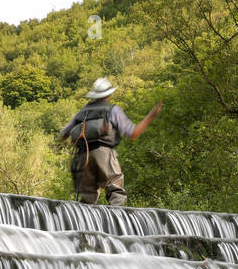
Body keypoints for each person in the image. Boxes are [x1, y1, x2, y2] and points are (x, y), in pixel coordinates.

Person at [60, 78, 162, 206]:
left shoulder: (81, 112)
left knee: (87, 200)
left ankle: (86, 225)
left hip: (81, 157)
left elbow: (63, 134)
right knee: (116, 191)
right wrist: (150, 116)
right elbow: (133, 134)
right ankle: (115, 223)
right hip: (104, 154)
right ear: (108, 94)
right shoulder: (112, 110)